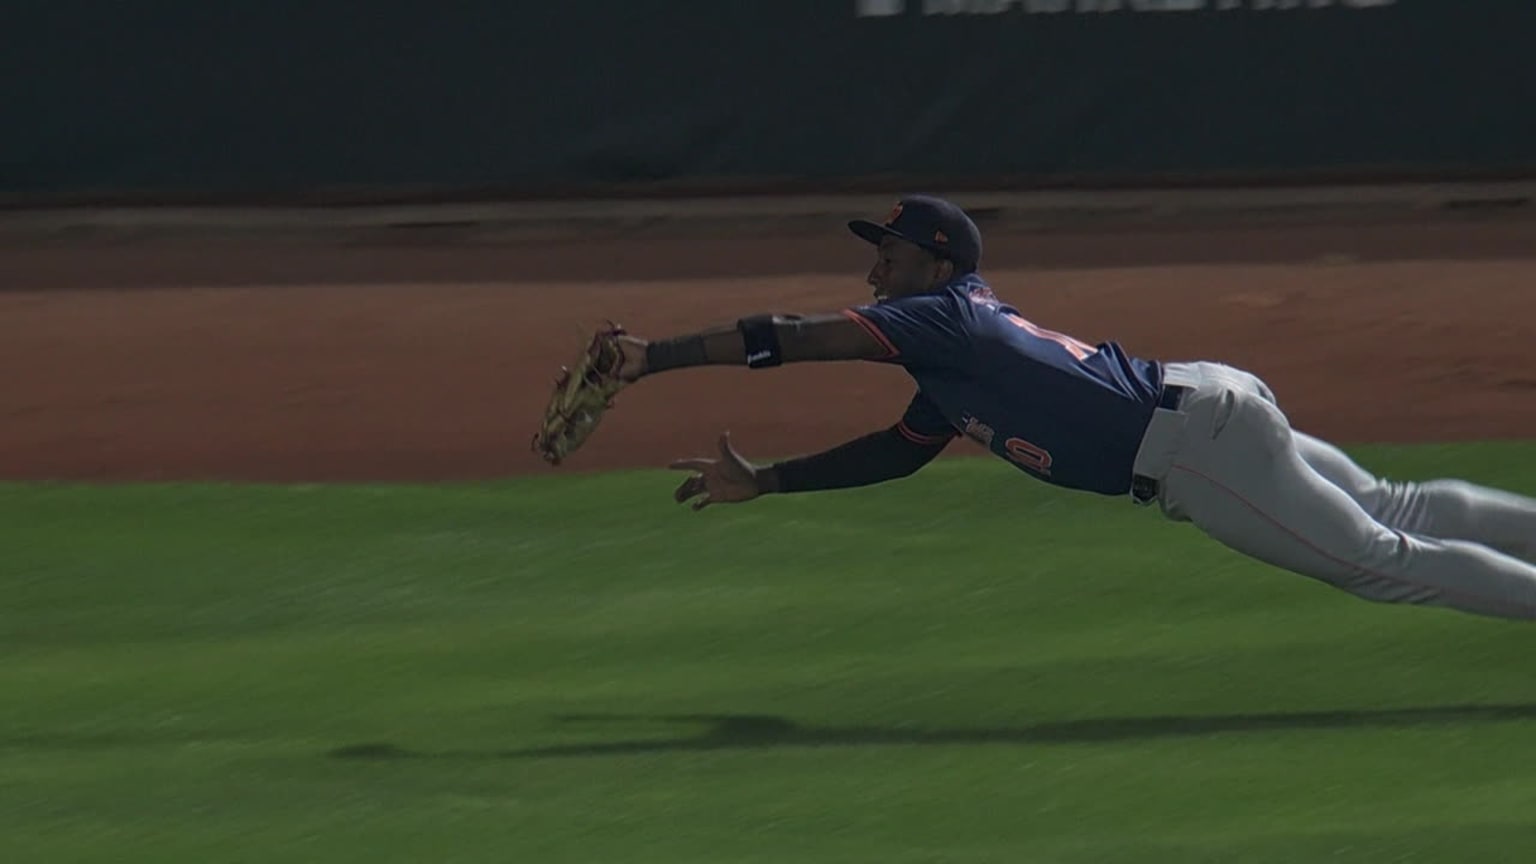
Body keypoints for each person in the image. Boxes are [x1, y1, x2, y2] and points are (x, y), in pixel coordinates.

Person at [610, 194, 1536, 621]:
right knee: (1398, 508)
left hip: (1196, 451)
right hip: (1210, 403)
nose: (873, 269)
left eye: (888, 254)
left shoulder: (941, 321)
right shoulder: (948, 361)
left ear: (937, 265)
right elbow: (895, 452)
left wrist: (656, 358)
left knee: (1382, 560)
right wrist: (768, 482)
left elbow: (796, 338)